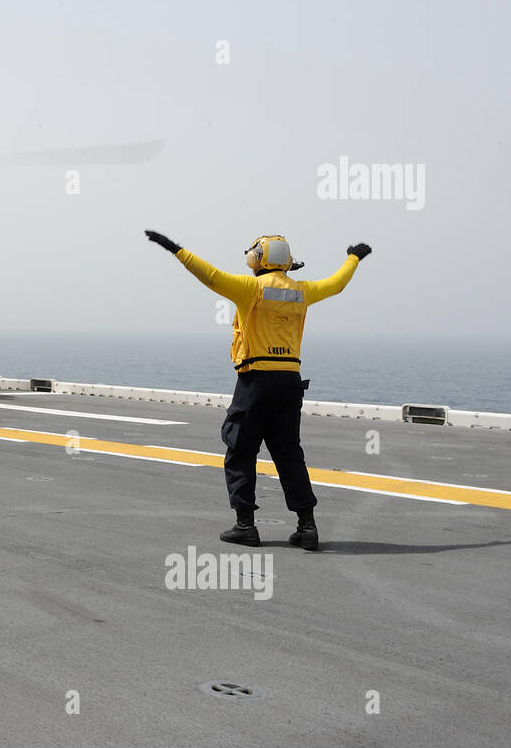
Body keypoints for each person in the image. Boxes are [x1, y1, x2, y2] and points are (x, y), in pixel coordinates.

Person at [144, 230, 372, 550]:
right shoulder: (302, 291)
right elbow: (337, 283)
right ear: (288, 262)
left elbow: (209, 275)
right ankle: (307, 526)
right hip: (290, 382)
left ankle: (245, 525)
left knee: (240, 450)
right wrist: (354, 257)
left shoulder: (250, 288)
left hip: (255, 382)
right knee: (289, 453)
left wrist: (175, 249)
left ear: (258, 259)